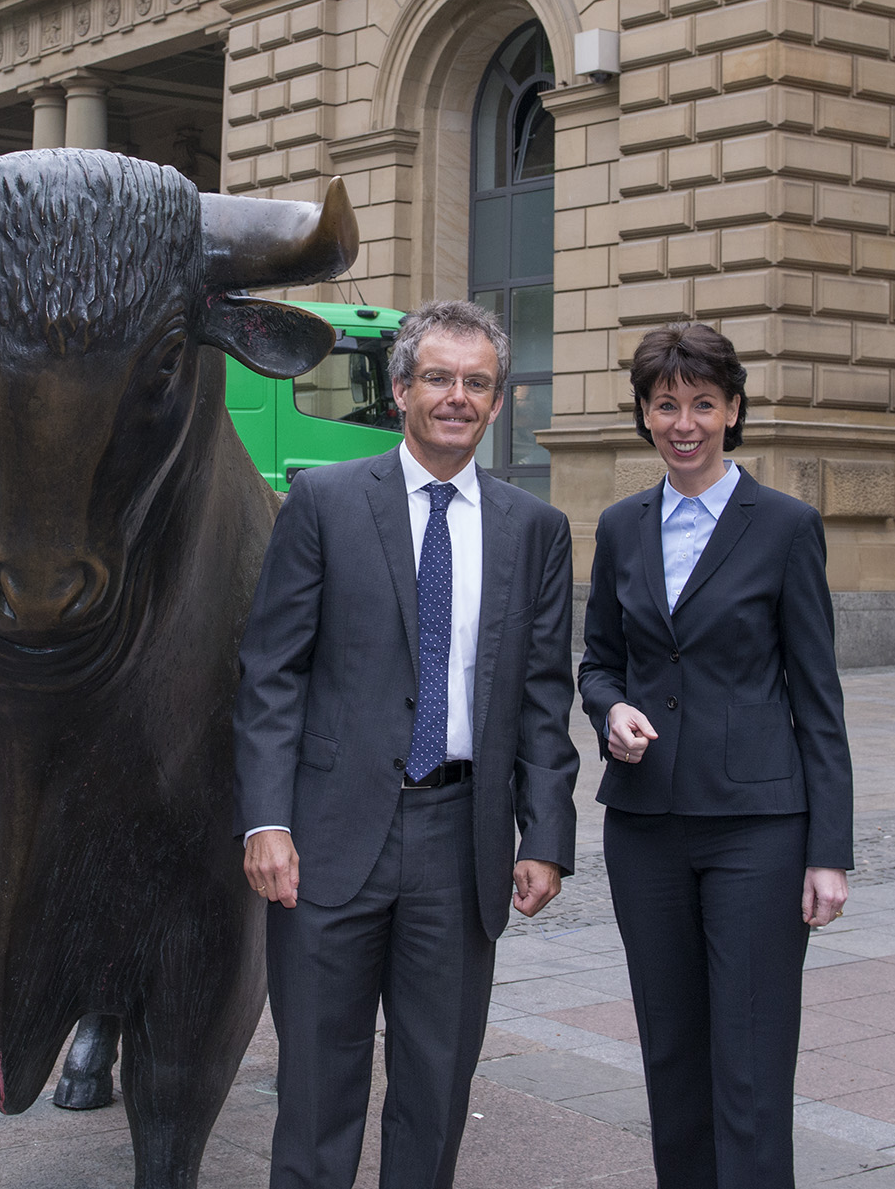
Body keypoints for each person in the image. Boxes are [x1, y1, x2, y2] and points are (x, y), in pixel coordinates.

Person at [235, 297, 578, 1189]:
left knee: (435, 1087)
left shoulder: (535, 530)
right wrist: (266, 820)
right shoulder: (324, 502)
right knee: (317, 1090)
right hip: (327, 838)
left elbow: (544, 695)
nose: (457, 396)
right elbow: (272, 672)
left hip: (460, 844)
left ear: (496, 402)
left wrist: (545, 833)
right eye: (438, 378)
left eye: (477, 382)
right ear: (399, 390)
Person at [578, 322, 853, 1189]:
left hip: (757, 830)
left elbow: (818, 697)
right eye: (666, 404)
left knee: (751, 1061)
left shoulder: (786, 526)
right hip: (646, 827)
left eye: (703, 403)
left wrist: (828, 851)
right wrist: (611, 709)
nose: (684, 422)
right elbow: (597, 661)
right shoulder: (621, 526)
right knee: (672, 1054)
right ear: (644, 415)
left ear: (733, 410)